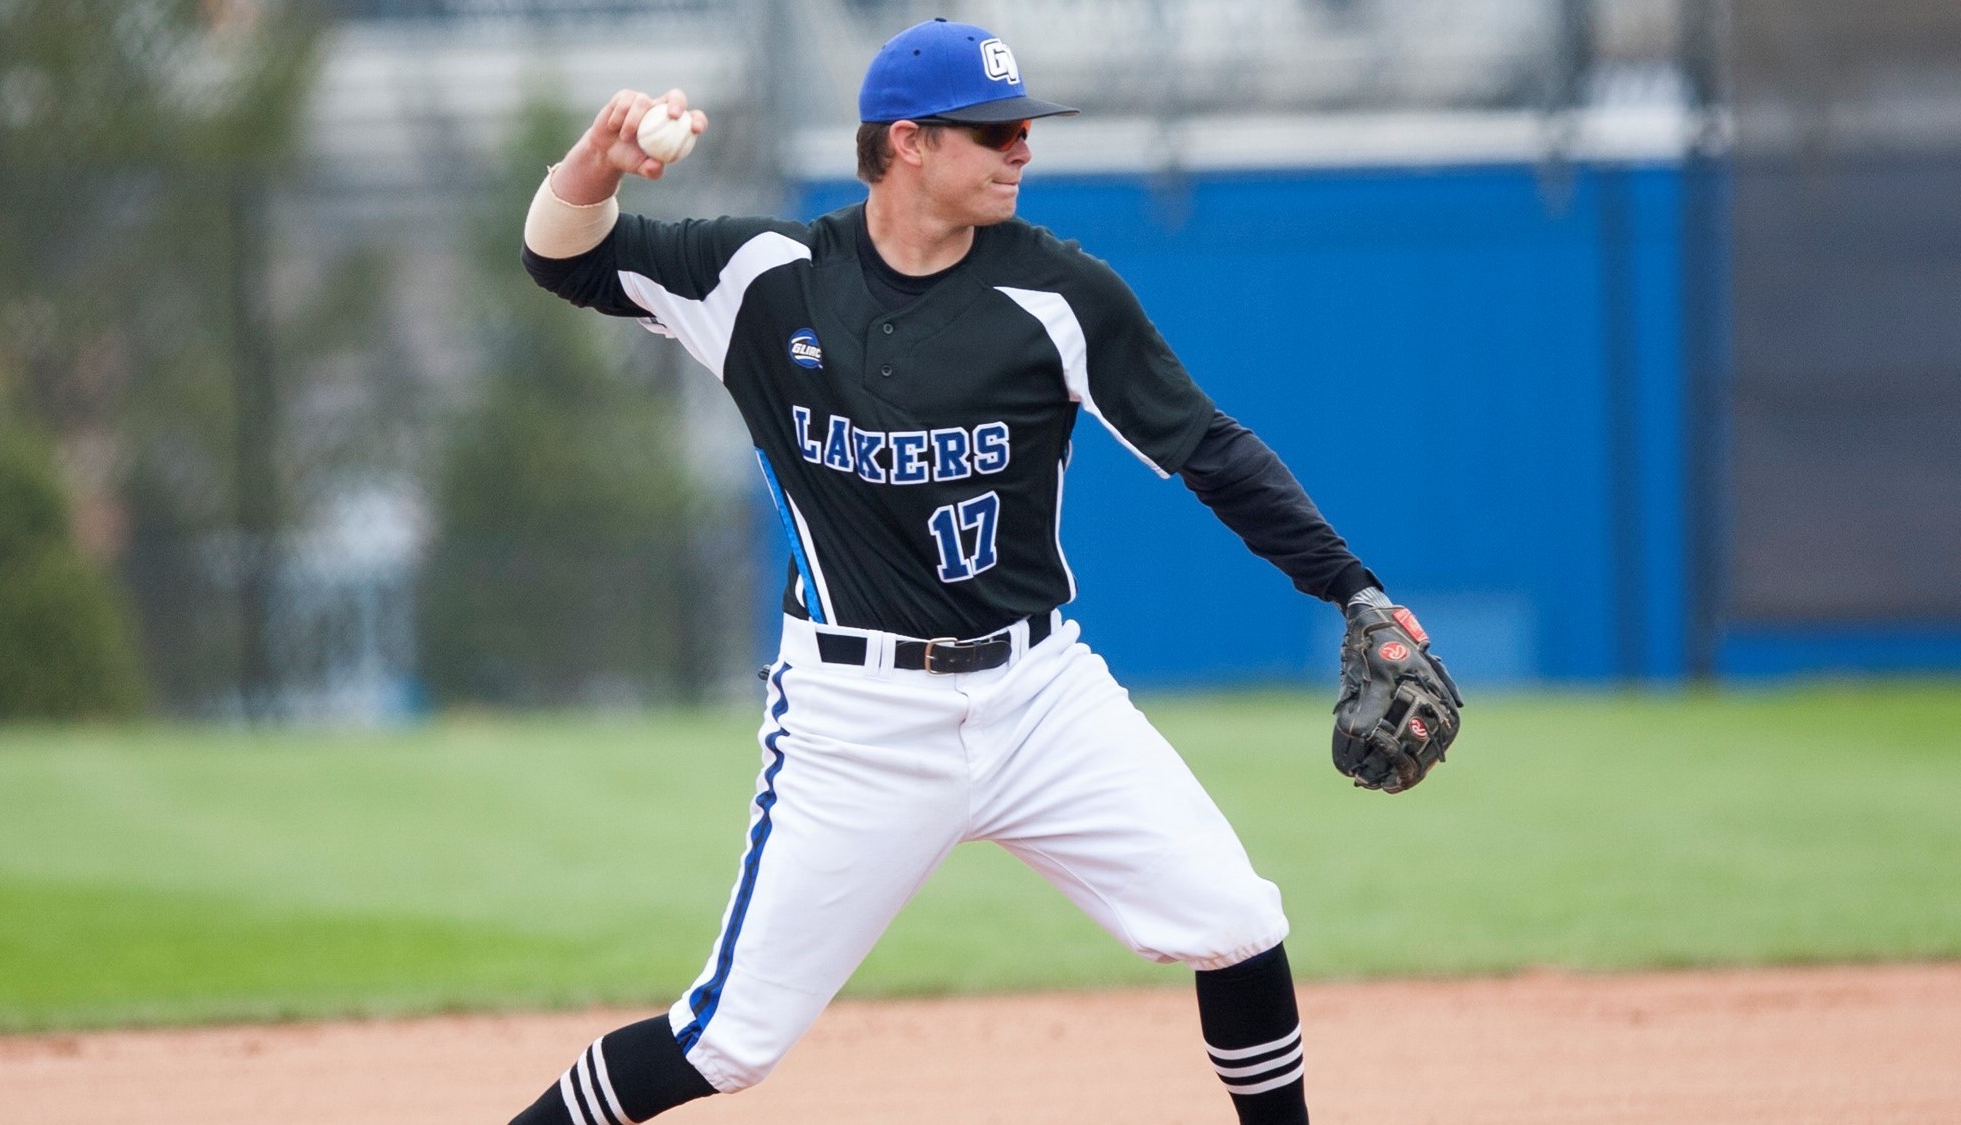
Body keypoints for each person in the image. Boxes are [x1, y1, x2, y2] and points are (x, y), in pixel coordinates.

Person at [508, 18, 1459, 1125]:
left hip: (1037, 695)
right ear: (907, 143)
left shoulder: (1059, 293)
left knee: (1236, 925)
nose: (1021, 151)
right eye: (995, 131)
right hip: (855, 719)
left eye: (1022, 130)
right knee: (726, 1043)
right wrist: (595, 163)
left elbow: (1211, 452)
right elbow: (561, 257)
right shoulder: (765, 279)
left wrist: (1352, 588)